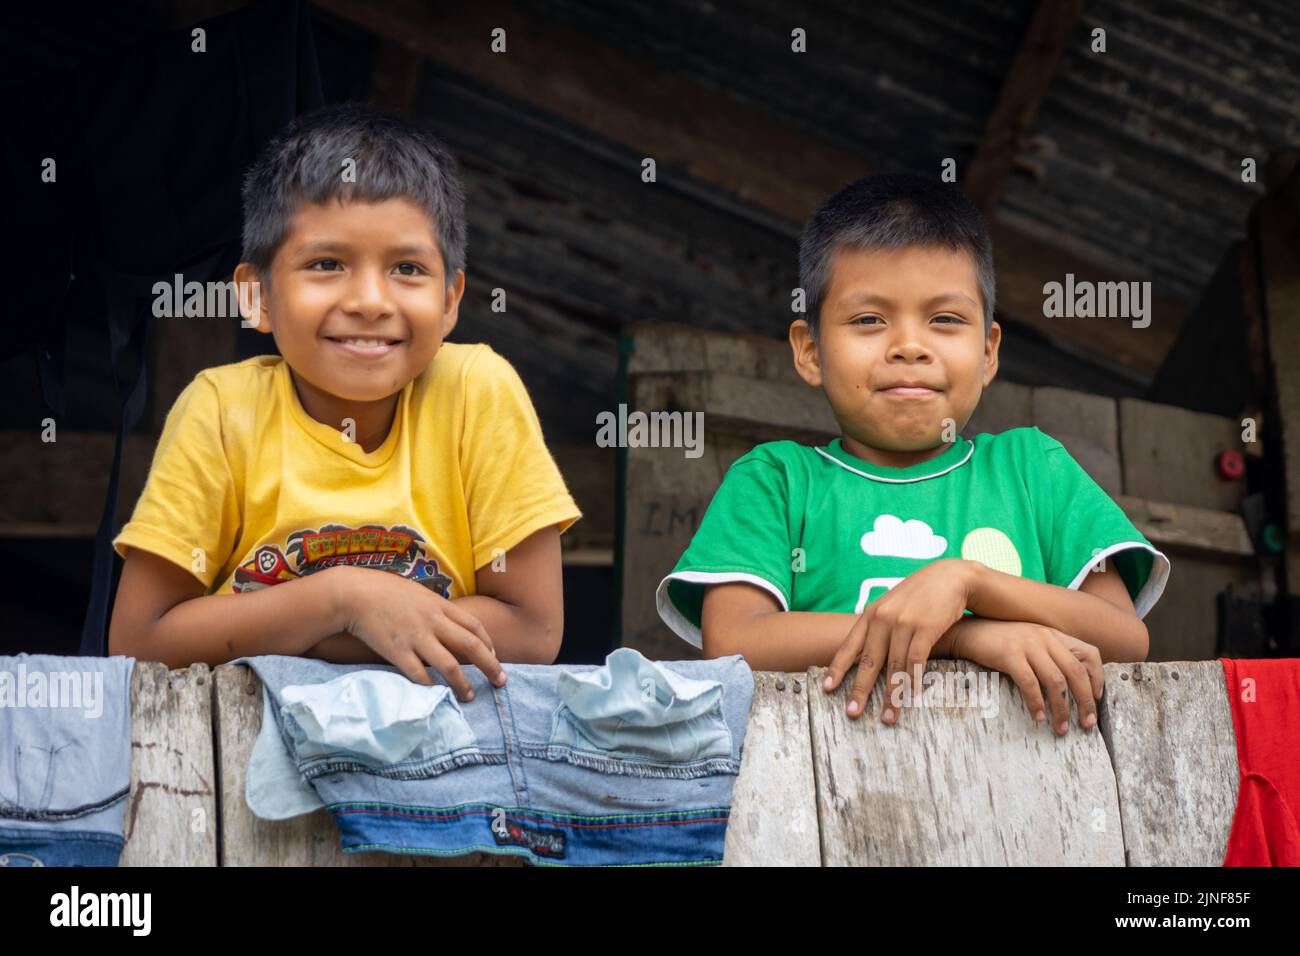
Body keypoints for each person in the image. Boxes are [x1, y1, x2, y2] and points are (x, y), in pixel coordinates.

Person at [656, 173, 1169, 734]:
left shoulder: (1033, 469)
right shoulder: (776, 481)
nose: (909, 346)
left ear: (989, 353)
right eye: (868, 320)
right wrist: (962, 636)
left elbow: (1125, 637)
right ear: (810, 351)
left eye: (945, 320)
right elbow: (735, 644)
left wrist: (969, 584)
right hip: (828, 794)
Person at [108, 103, 581, 701]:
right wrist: (343, 600)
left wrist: (343, 623)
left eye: (407, 268)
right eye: (327, 264)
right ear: (256, 295)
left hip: (448, 762)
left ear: (449, 300)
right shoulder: (222, 411)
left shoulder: (475, 392)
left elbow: (536, 627)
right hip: (243, 751)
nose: (368, 300)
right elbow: (139, 640)